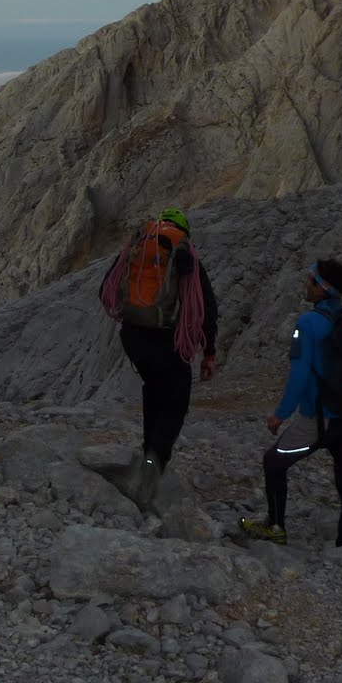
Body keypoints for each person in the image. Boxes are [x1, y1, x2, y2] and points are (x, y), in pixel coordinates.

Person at [99, 207, 220, 509]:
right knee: (176, 401)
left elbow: (106, 287)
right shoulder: (183, 252)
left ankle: (147, 452)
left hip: (133, 336)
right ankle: (155, 460)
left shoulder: (139, 244)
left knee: (153, 390)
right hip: (166, 339)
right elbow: (205, 308)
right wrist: (210, 352)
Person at [238, 259, 342, 548]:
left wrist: (280, 415)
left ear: (324, 288)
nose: (306, 286)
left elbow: (299, 374)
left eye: (311, 281)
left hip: (319, 419)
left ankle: (276, 527)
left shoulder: (308, 322)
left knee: (273, 462)